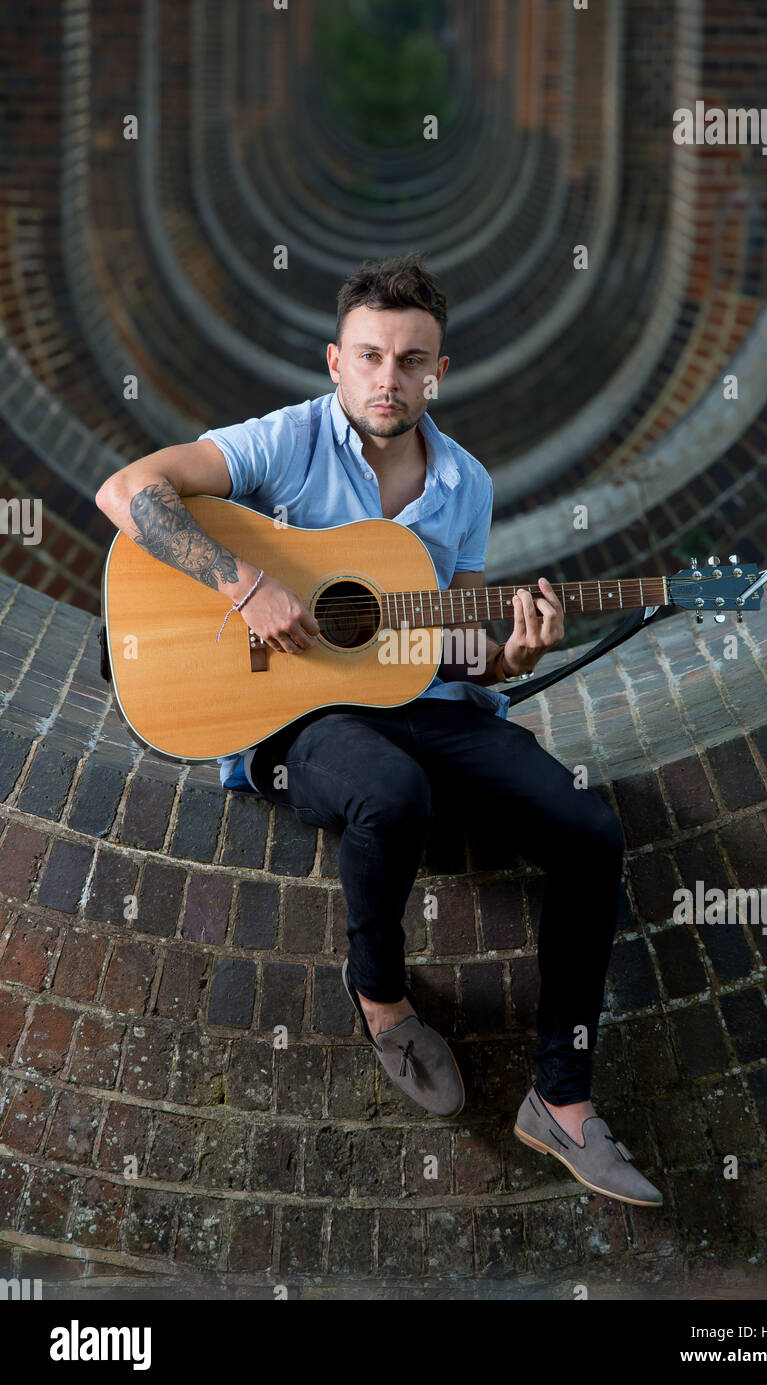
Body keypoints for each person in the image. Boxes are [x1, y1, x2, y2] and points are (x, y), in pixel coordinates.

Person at [95, 254, 662, 1208]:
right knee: (389, 796)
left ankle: (560, 1102)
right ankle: (382, 998)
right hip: (303, 717)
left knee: (589, 829)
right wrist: (244, 582)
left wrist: (508, 659)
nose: (387, 379)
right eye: (369, 357)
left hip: (427, 708)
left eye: (410, 360)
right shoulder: (284, 442)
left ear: (438, 371)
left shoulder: (464, 485)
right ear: (335, 361)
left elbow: (460, 646)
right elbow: (128, 492)